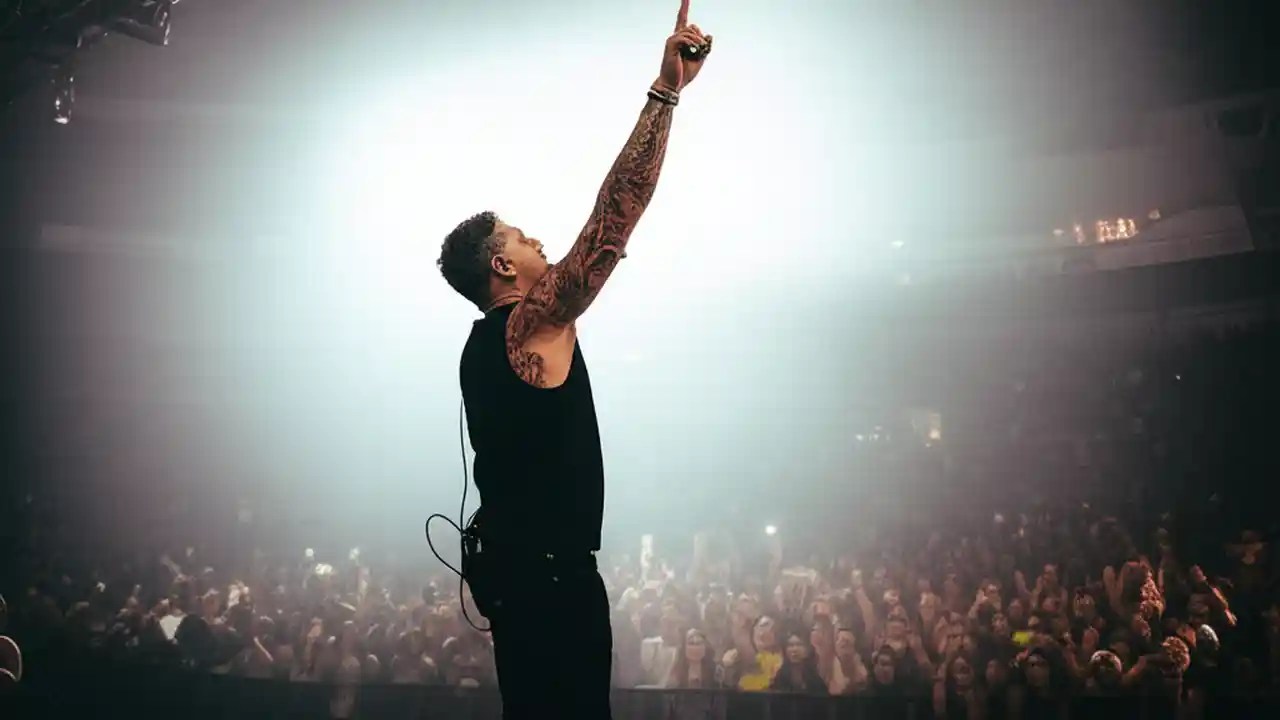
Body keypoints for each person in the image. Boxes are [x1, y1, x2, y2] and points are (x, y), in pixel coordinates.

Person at [435, 1, 713, 717]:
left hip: (520, 580)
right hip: (552, 585)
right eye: (523, 237)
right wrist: (666, 92)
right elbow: (611, 221)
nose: (540, 242)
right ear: (502, 265)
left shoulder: (478, 349)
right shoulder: (529, 325)